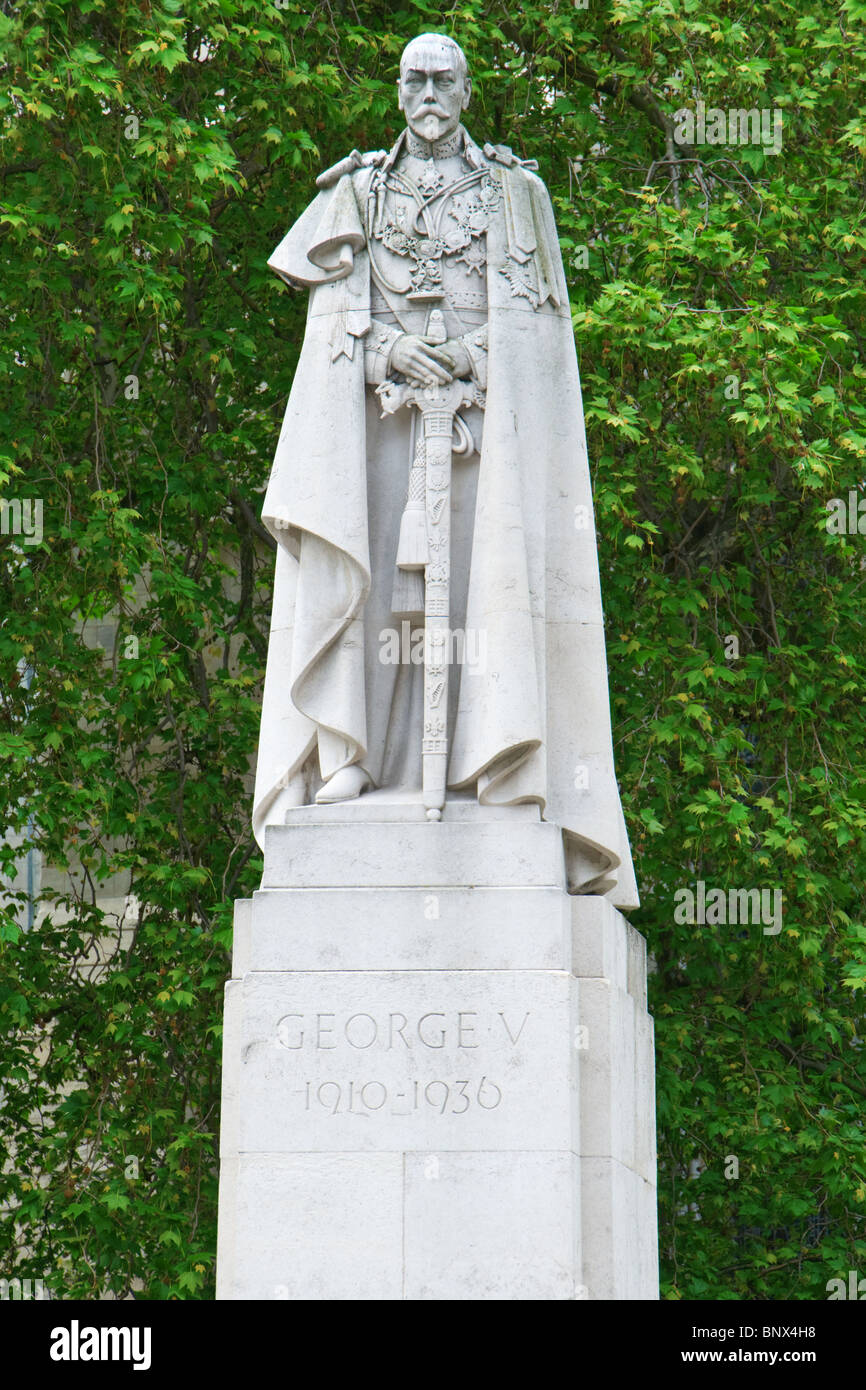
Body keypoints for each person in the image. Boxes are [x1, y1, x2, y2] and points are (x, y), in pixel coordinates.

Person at [254, 32, 638, 906]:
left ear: (468, 92)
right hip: (378, 430)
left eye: (445, 80)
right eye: (415, 79)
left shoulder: (515, 193)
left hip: (481, 430)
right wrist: (391, 350)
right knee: (368, 583)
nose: (429, 93)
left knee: (482, 591)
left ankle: (486, 769)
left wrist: (467, 353)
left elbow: (539, 334)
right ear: (397, 92)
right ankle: (354, 754)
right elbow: (333, 324)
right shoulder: (356, 192)